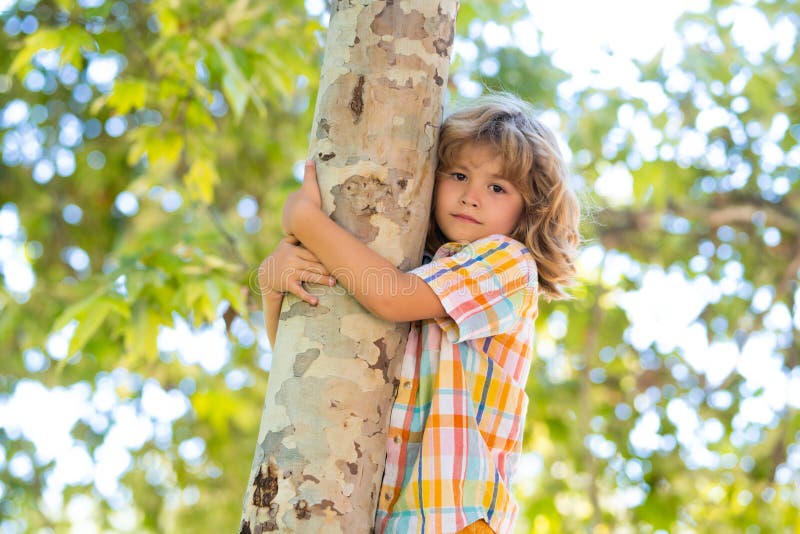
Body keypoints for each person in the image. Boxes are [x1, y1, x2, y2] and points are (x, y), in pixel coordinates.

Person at [258, 93, 581, 534]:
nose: (471, 197)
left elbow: (391, 296)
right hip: (396, 518)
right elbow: (299, 373)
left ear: (530, 209)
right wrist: (274, 288)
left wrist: (303, 219)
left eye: (497, 187)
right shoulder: (428, 269)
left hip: (456, 517)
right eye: (459, 175)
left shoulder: (509, 264)